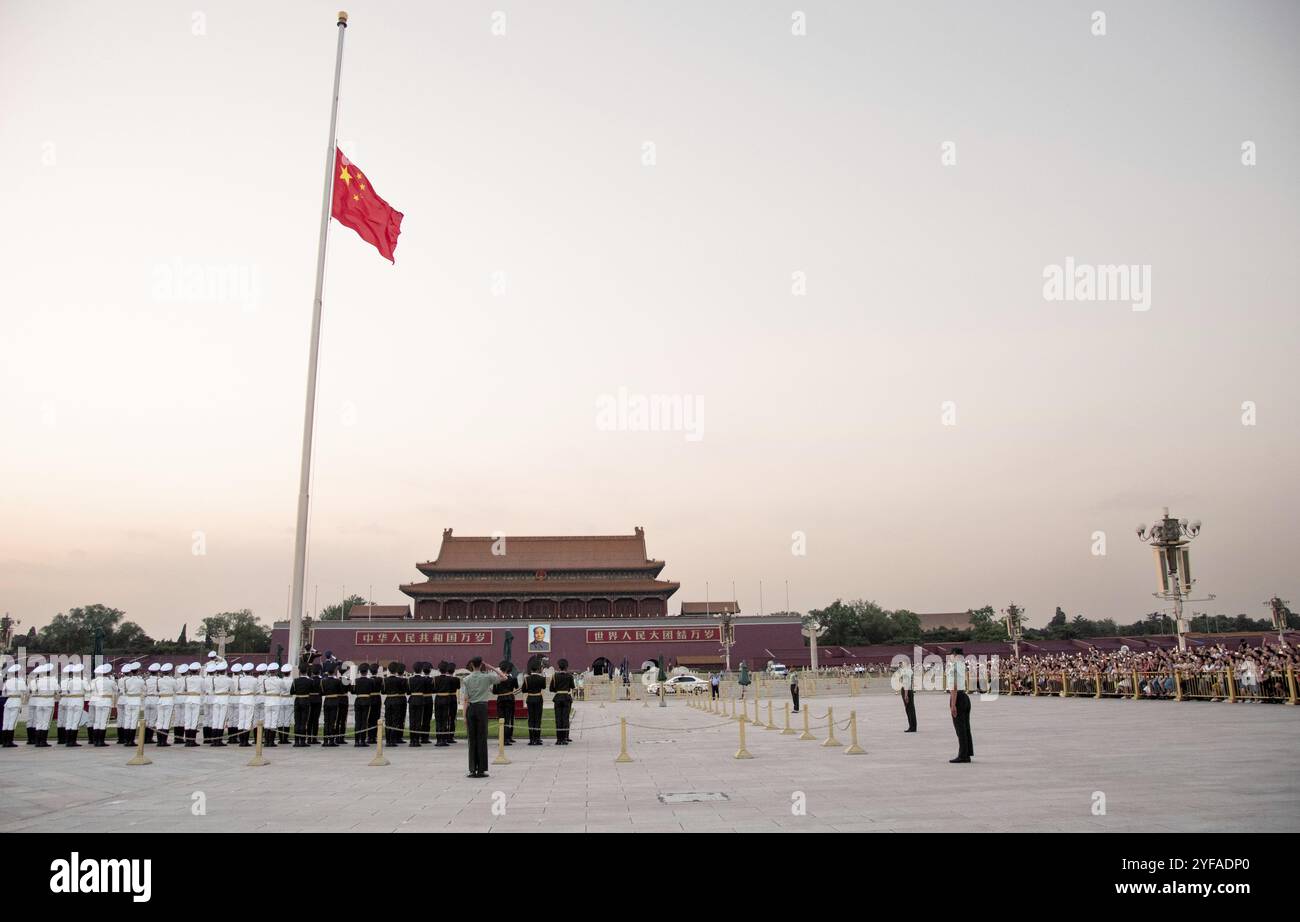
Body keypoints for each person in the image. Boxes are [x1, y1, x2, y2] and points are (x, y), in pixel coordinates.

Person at [461, 657, 508, 778]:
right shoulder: (487, 677)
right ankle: (481, 769)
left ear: (471, 664)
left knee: (472, 739)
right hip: (482, 708)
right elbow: (504, 677)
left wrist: (464, 716)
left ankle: (472, 769)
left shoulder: (467, 679)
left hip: (471, 709)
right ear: (482, 665)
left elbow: (465, 699)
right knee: (482, 739)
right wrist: (491, 667)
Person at [947, 648, 973, 763]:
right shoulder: (963, 666)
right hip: (965, 697)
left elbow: (954, 687)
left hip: (958, 698)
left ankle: (963, 755)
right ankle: (967, 752)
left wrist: (953, 705)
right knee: (966, 728)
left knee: (960, 729)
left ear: (954, 655)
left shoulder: (954, 667)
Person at [28, 663, 56, 747]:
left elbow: (30, 690)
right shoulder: (53, 680)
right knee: (46, 722)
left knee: (38, 722)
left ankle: (37, 741)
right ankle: (43, 741)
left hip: (39, 702)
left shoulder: (37, 681)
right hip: (48, 702)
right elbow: (58, 690)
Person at [549, 659, 576, 744]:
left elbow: (551, 689)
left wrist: (558, 690)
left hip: (558, 698)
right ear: (566, 667)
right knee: (565, 719)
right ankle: (565, 738)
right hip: (566, 698)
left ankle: (559, 739)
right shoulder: (569, 676)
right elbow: (572, 686)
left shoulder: (555, 676)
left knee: (558, 719)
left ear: (559, 667)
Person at [432, 662, 459, 746]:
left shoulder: (435, 678)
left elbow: (433, 689)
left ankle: (439, 739)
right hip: (447, 699)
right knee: (445, 719)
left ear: (439, 670)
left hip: (438, 699)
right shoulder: (451, 679)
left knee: (438, 719)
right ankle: (444, 739)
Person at [60, 664, 87, 747]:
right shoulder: (82, 681)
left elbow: (67, 691)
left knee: (69, 721)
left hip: (70, 701)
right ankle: (73, 741)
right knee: (75, 722)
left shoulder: (70, 681)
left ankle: (68, 741)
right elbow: (88, 689)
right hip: (78, 701)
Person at [120, 662, 146, 746]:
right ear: (138, 671)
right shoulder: (141, 681)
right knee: (134, 721)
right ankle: (131, 740)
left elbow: (124, 691)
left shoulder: (126, 681)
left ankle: (126, 740)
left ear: (131, 671)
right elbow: (144, 690)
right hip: (136, 701)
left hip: (128, 700)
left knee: (127, 720)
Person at [383, 662, 409, 747]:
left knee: (388, 721)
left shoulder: (385, 679)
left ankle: (388, 740)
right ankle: (393, 739)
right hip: (397, 701)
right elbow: (405, 690)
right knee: (395, 720)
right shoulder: (401, 680)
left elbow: (383, 692)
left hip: (388, 700)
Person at [492, 660, 518, 746]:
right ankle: (507, 738)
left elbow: (495, 692)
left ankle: (502, 738)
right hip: (510, 698)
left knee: (501, 719)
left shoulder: (497, 679)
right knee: (508, 719)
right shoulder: (513, 678)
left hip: (500, 699)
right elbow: (516, 687)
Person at [521, 661, 546, 746]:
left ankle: (532, 739)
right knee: (538, 719)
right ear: (539, 669)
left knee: (531, 719)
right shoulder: (542, 678)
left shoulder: (527, 679)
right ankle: (537, 739)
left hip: (530, 699)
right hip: (538, 699)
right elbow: (544, 687)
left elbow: (524, 690)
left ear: (531, 669)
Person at [320, 663, 345, 747]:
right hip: (334, 701)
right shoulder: (337, 681)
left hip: (327, 701)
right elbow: (341, 691)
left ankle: (325, 740)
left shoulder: (323, 681)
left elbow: (322, 692)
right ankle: (331, 740)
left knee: (326, 721)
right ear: (334, 671)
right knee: (332, 721)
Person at [2, 664, 25, 748]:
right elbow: (25, 692)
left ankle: (4, 741)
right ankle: (9, 741)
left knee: (6, 722)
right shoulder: (21, 682)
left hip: (8, 702)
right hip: (16, 701)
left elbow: (4, 693)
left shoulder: (7, 681)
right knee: (12, 722)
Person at [406, 662, 428, 747]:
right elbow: (425, 690)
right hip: (420, 700)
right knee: (418, 721)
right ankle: (417, 740)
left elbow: (408, 692)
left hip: (412, 700)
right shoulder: (424, 680)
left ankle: (412, 740)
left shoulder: (409, 679)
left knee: (412, 720)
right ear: (421, 670)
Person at [181, 661, 204, 746]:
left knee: (187, 720)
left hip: (188, 699)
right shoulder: (201, 679)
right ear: (198, 670)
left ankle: (187, 741)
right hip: (196, 699)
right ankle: (192, 741)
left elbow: (185, 689)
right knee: (194, 721)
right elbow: (203, 689)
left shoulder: (187, 679)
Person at [291, 666, 313, 747]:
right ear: (306, 671)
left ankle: (296, 741)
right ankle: (302, 741)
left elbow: (291, 692)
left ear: (299, 672)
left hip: (297, 700)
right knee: (304, 721)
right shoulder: (309, 681)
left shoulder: (295, 681)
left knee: (297, 721)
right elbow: (312, 690)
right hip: (305, 700)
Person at [155, 662, 176, 747]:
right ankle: (164, 741)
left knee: (160, 721)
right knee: (166, 721)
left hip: (160, 700)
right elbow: (175, 689)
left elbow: (157, 689)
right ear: (170, 672)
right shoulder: (173, 680)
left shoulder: (159, 680)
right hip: (168, 700)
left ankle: (159, 741)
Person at [352, 663, 373, 747]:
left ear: (359, 672)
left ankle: (356, 740)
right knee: (364, 721)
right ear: (367, 671)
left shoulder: (356, 681)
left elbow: (353, 691)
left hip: (358, 700)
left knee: (358, 721)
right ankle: (363, 740)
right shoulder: (370, 681)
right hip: (366, 700)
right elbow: (371, 690)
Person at [143, 662, 160, 744]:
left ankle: (145, 737)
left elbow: (143, 690)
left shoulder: (146, 680)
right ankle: (149, 738)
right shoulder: (158, 680)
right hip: (155, 699)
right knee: (153, 719)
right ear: (157, 672)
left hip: (147, 699)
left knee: (146, 719)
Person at [898, 660, 917, 732]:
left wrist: (905, 695)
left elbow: (906, 683)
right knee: (911, 709)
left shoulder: (906, 672)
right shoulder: (909, 671)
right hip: (909, 690)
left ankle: (912, 727)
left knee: (909, 709)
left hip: (907, 690)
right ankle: (913, 726)